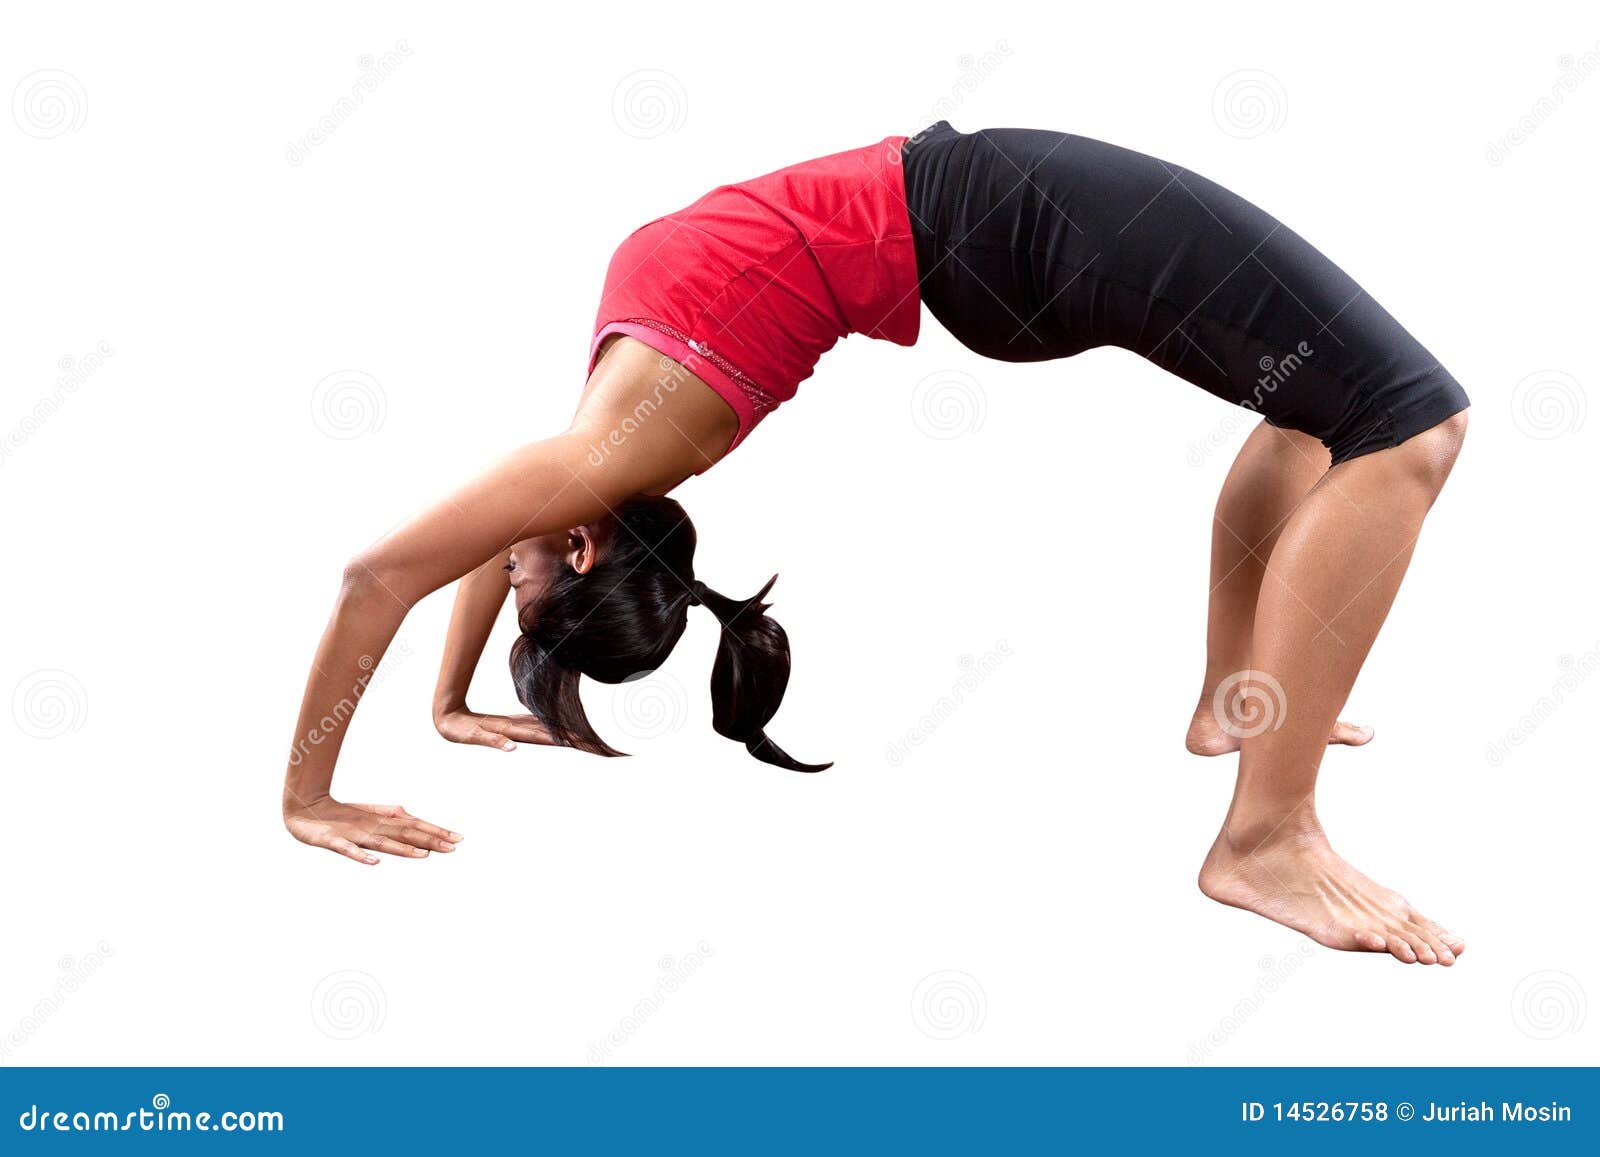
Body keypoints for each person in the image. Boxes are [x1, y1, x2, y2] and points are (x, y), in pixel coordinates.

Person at [282, 122, 1469, 966]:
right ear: (586, 549)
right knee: (1409, 419)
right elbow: (379, 575)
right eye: (515, 567)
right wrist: (310, 795)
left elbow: (459, 558)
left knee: (1320, 410)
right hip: (1009, 225)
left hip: (990, 236)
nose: (494, 555)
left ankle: (1235, 700)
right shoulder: (599, 463)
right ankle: (1265, 837)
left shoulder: (599, 454)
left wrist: (445, 699)